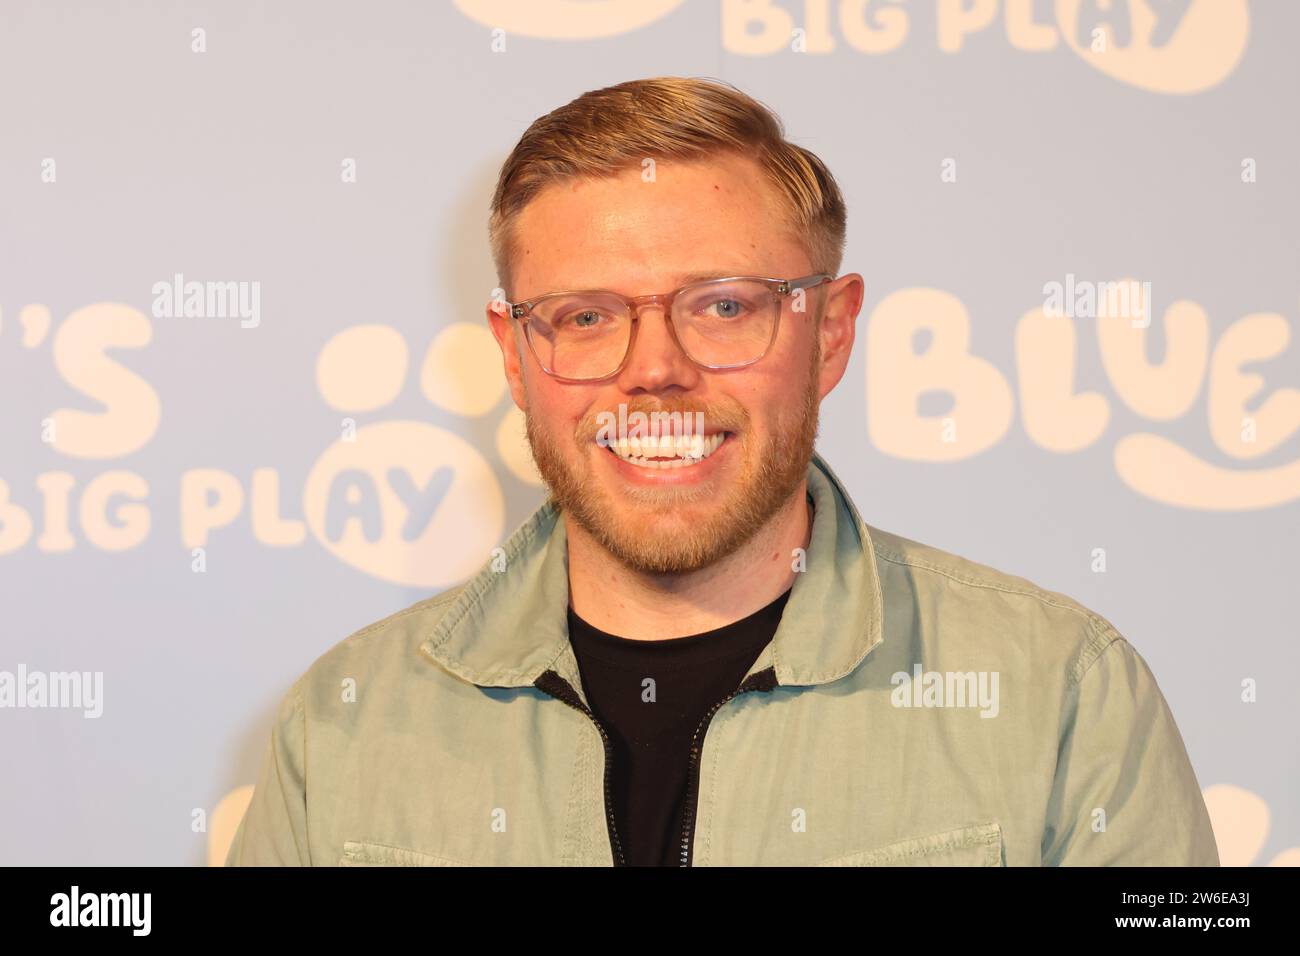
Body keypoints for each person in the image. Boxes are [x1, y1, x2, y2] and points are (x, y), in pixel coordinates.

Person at [226, 76, 1219, 867]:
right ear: (513, 354)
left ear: (829, 332)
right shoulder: (342, 724)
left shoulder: (1058, 693)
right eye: (584, 316)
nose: (653, 367)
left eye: (724, 306)